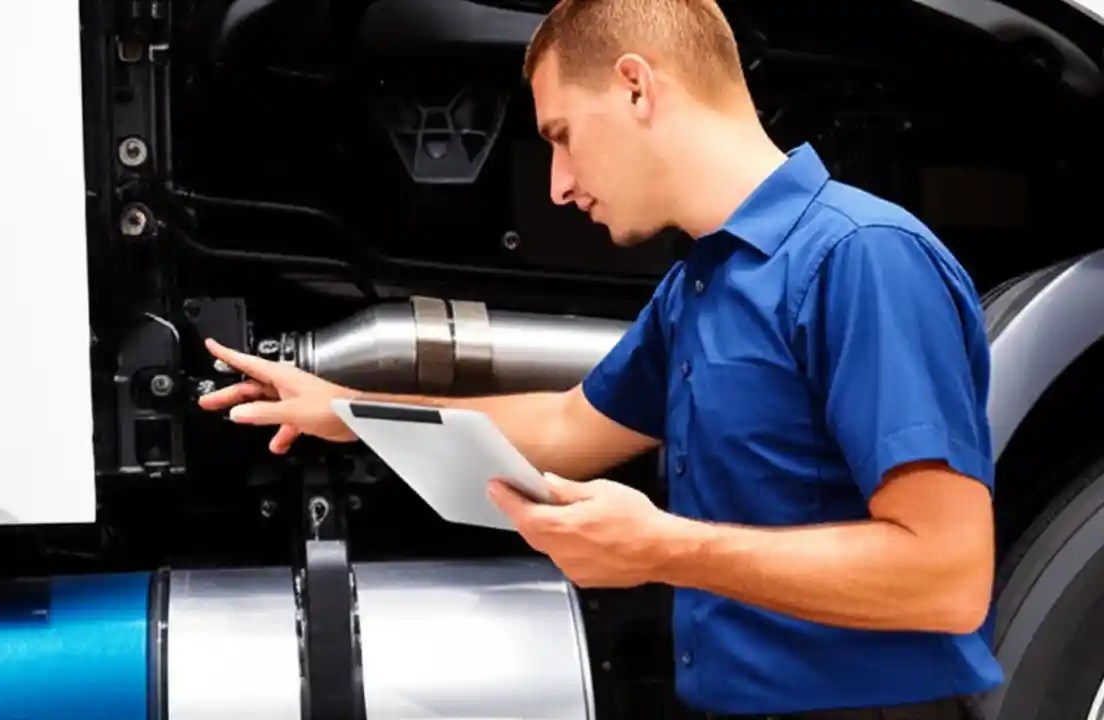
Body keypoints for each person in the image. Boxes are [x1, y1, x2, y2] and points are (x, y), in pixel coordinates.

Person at [199, 0, 1002, 717]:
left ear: (635, 87)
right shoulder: (703, 283)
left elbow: (947, 576)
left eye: (561, 136)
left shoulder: (862, 258)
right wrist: (343, 410)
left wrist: (662, 547)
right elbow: (568, 423)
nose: (557, 183)